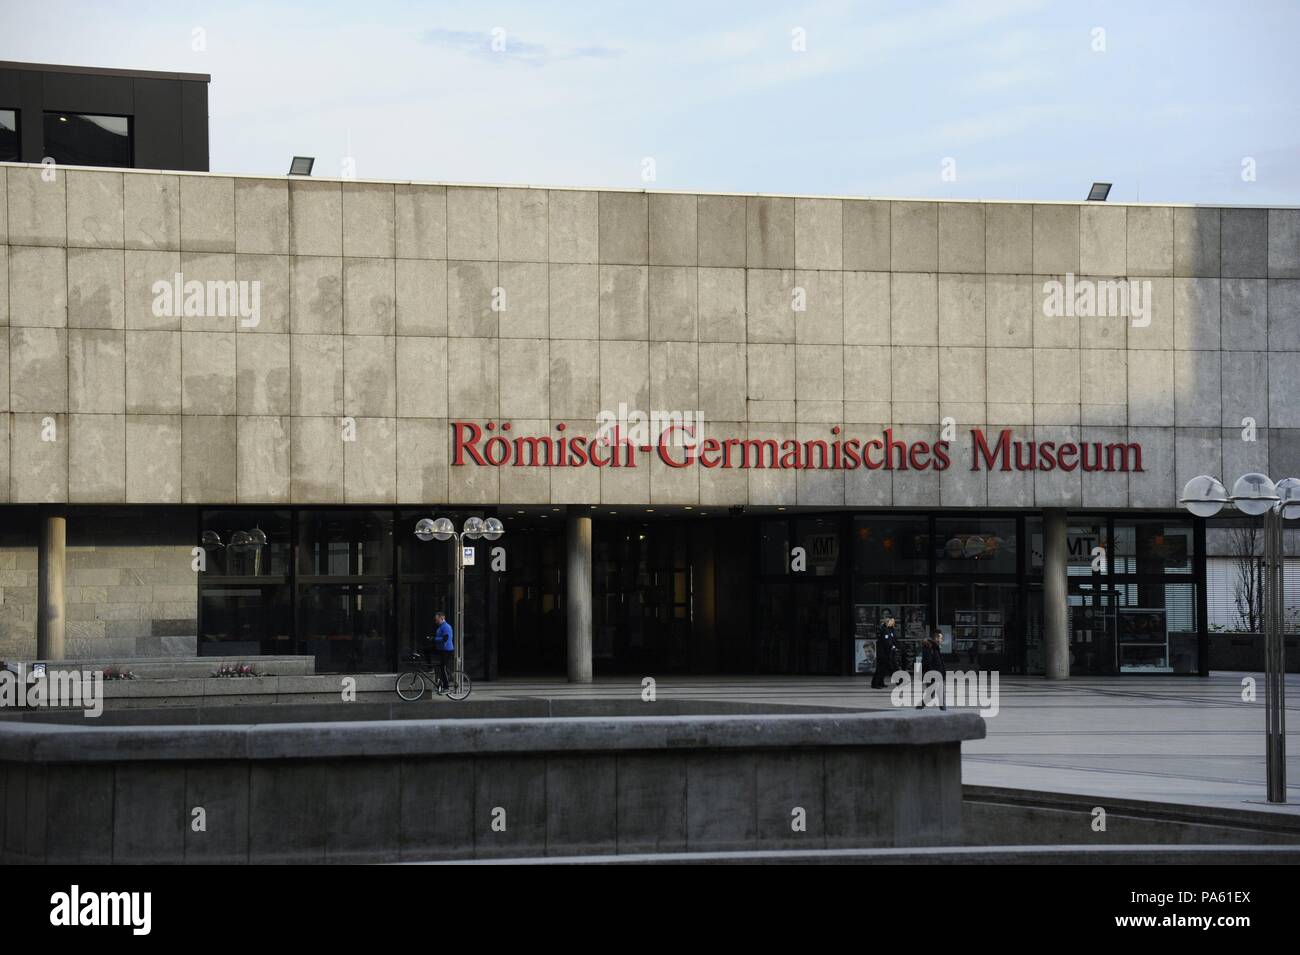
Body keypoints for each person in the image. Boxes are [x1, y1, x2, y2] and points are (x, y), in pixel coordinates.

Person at [916, 629, 947, 709]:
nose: (941, 640)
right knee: (932, 695)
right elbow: (927, 662)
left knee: (939, 694)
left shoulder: (936, 647)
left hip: (937, 674)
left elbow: (939, 662)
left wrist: (943, 672)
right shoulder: (929, 647)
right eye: (940, 638)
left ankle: (943, 709)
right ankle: (919, 707)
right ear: (936, 637)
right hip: (932, 675)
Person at [430, 611, 455, 693]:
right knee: (426, 650)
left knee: (443, 667)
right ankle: (429, 668)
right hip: (441, 649)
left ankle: (446, 687)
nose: (435, 621)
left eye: (437, 619)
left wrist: (434, 639)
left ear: (442, 618)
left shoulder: (446, 627)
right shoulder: (440, 627)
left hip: (447, 650)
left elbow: (445, 639)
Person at [871, 617, 899, 689]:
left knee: (883, 669)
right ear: (887, 622)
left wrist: (895, 646)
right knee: (880, 668)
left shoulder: (890, 629)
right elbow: (887, 641)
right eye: (891, 622)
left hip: (887, 652)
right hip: (883, 653)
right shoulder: (884, 630)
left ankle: (880, 682)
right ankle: (875, 684)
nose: (893, 623)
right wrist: (893, 647)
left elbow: (893, 639)